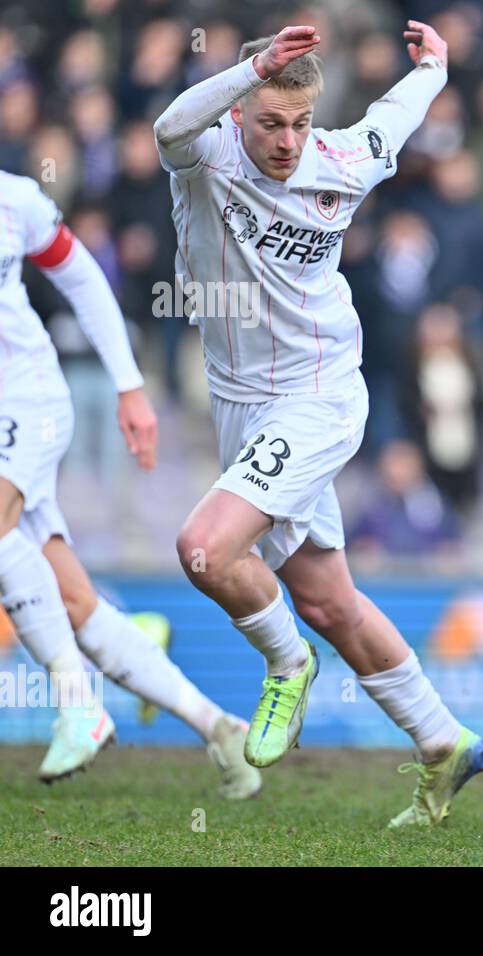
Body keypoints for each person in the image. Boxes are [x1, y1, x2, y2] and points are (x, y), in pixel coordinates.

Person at [152, 22, 483, 827]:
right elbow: (167, 126)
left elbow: (393, 118)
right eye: (271, 121)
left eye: (301, 123)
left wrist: (436, 67)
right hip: (240, 403)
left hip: (319, 397)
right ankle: (446, 745)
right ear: (239, 113)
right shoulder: (207, 159)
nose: (288, 141)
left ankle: (284, 664)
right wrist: (250, 70)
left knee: (204, 548)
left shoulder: (340, 158)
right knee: (330, 601)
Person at [0, 170, 259, 798]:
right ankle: (217, 724)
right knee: (73, 602)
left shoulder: (14, 201)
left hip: (26, 400)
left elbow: (82, 277)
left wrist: (129, 383)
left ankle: (77, 704)